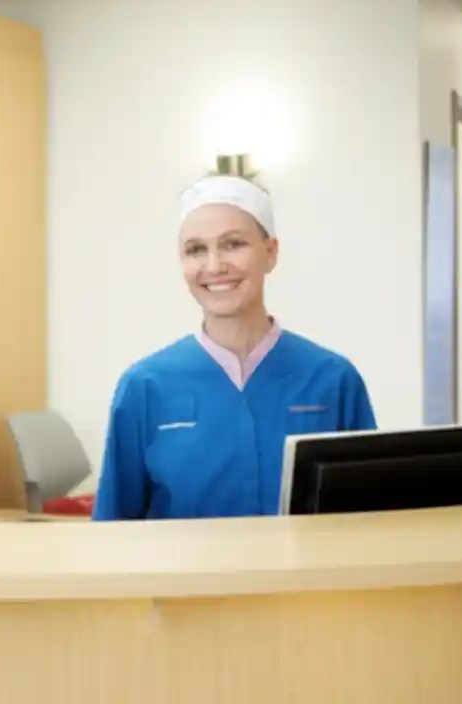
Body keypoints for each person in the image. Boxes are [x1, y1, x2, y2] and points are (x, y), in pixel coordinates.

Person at [92, 175, 377, 521]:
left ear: (270, 253)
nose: (214, 266)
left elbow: (366, 521)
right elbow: (112, 529)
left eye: (233, 244)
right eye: (196, 249)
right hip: (183, 577)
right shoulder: (145, 386)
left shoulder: (333, 380)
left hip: (302, 575)